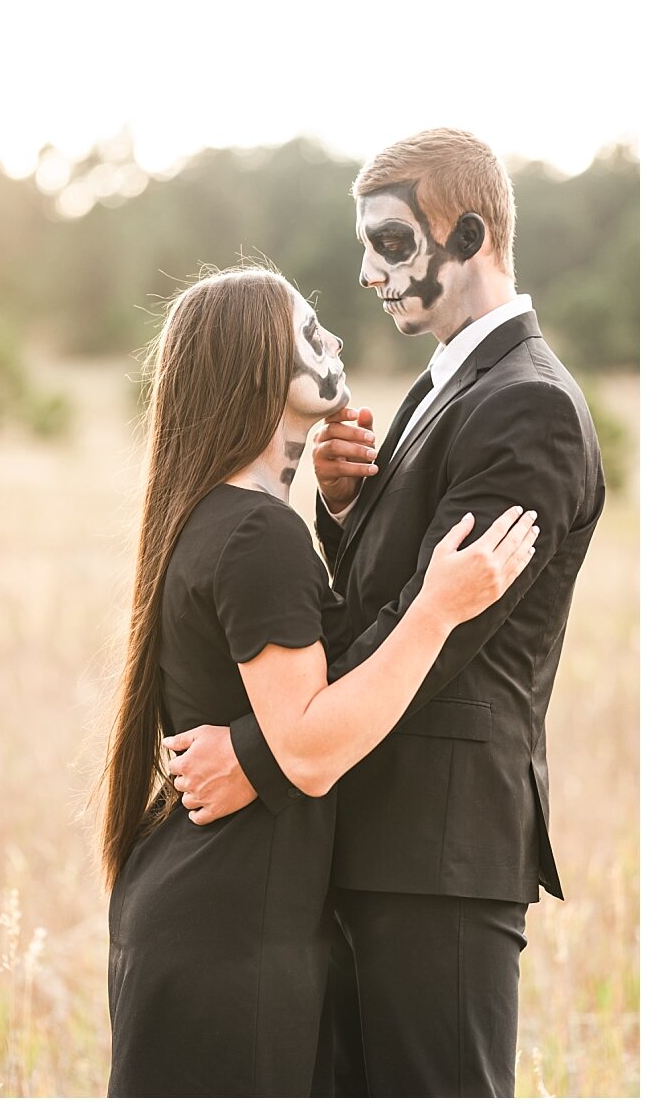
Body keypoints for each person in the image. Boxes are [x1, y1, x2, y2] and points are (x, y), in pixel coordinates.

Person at [163, 132, 605, 1097]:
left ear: (473, 233)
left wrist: (264, 748)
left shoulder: (529, 406)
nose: (369, 273)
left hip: (437, 854)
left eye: (392, 243)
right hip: (372, 832)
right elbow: (402, 593)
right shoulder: (447, 382)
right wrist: (348, 514)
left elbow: (448, 626)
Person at [104, 266, 537, 1098]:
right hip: (232, 931)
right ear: (255, 362)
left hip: (209, 916)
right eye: (309, 330)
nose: (333, 339)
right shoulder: (256, 532)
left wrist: (338, 512)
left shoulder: (224, 515)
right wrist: (437, 610)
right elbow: (306, 748)